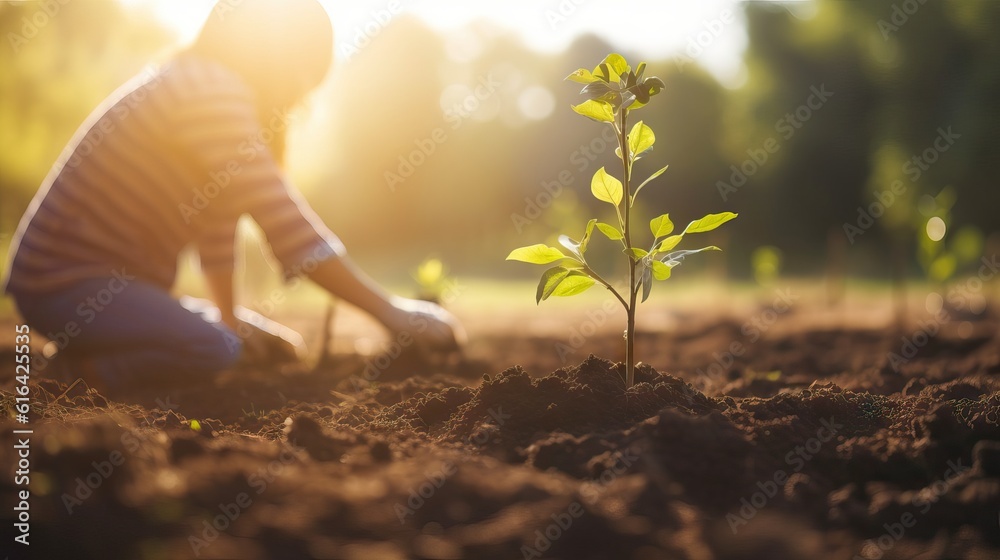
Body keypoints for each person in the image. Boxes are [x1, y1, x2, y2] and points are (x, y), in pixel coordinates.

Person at [1, 0, 463, 391]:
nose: (296, 102)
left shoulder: (197, 82)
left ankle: (94, 351)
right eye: (303, 81)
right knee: (212, 349)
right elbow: (290, 231)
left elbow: (216, 229)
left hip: (91, 287)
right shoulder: (211, 91)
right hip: (64, 285)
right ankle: (71, 376)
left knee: (227, 337)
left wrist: (231, 317)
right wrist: (392, 312)